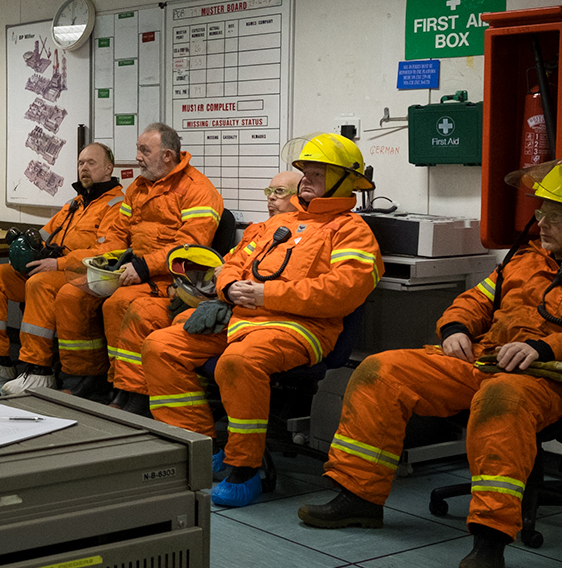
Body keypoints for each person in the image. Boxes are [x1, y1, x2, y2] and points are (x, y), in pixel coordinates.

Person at [300, 162, 562, 568]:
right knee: (381, 369)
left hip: (551, 379)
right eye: (540, 211)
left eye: (555, 214)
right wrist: (454, 329)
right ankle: (357, 497)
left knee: (502, 399)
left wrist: (546, 346)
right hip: (482, 363)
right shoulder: (521, 262)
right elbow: (473, 301)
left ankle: (490, 539)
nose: (541, 221)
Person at [141, 133, 382, 508]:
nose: (306, 180)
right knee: (161, 345)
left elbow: (343, 290)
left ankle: (244, 468)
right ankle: (196, 447)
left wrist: (267, 296)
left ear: (344, 182)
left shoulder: (352, 231)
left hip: (301, 329)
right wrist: (229, 287)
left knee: (239, 361)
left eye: (316, 174)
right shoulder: (276, 224)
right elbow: (232, 261)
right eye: (305, 172)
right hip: (242, 319)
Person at [51, 123, 222, 400]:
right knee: (72, 295)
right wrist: (105, 262)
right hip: (131, 270)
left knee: (119, 304)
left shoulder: (199, 190)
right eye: (138, 150)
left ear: (167, 155)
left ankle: (130, 392)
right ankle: (84, 376)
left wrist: (143, 267)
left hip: (171, 278)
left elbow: (189, 248)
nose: (138, 157)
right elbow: (118, 233)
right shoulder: (138, 188)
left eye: (144, 150)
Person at [0, 143, 125, 389]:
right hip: (53, 266)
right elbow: (44, 235)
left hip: (82, 275)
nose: (84, 168)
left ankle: (38, 369)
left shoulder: (117, 204)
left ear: (109, 168)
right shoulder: (74, 204)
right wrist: (24, 243)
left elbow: (105, 253)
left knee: (39, 283)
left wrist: (58, 263)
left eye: (91, 163)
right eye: (80, 163)